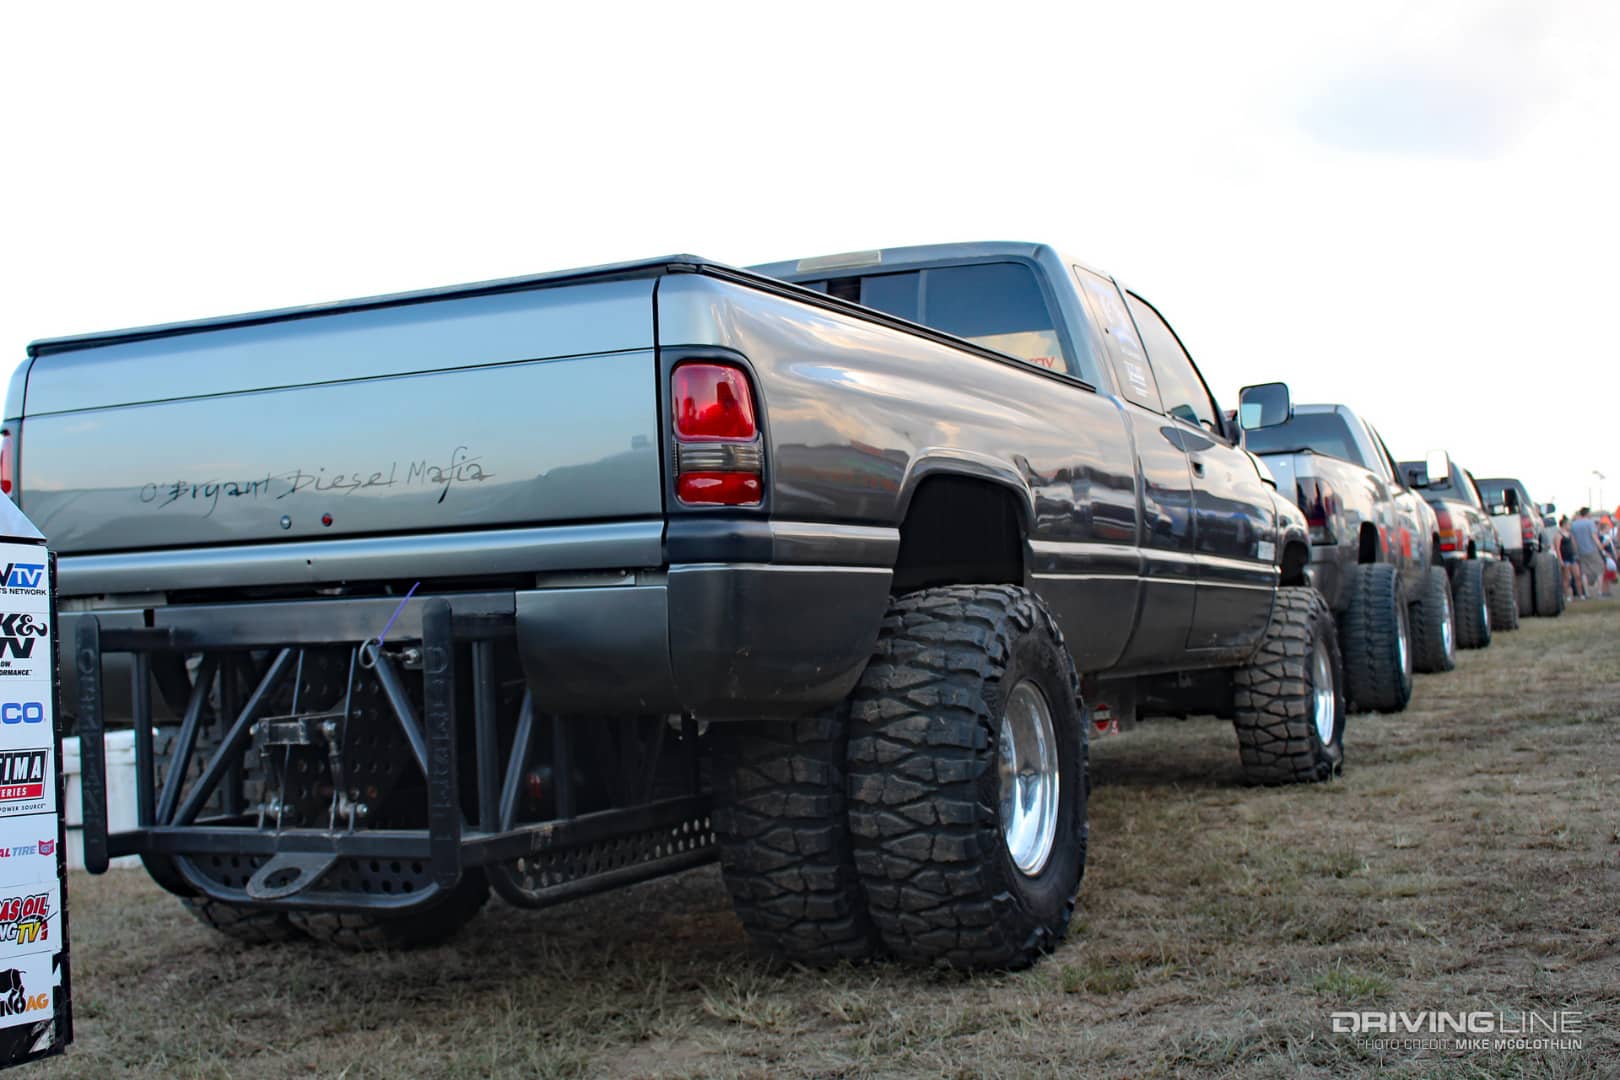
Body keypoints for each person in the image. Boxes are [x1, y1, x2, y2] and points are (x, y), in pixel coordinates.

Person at [1571, 507, 1607, 598]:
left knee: (1584, 572)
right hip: (1592, 549)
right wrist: (1601, 548)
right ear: (1587, 514)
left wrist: (1576, 551)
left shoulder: (1574, 524)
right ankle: (1599, 591)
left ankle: (1586, 593)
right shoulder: (1590, 523)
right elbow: (1594, 536)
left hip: (1581, 551)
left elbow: (1573, 540)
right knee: (1600, 568)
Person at [1559, 516, 1585, 600]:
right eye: (1568, 524)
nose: (1570, 526)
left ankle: (1581, 594)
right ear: (1564, 525)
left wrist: (1576, 554)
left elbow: (1574, 545)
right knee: (1567, 578)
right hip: (1565, 558)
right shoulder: (1559, 535)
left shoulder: (1570, 535)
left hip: (1572, 557)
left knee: (1577, 576)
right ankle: (1567, 595)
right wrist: (1560, 560)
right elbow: (1557, 547)